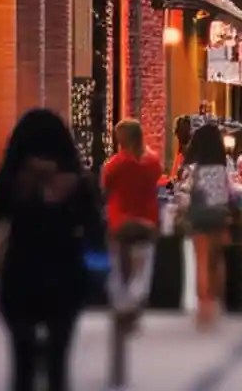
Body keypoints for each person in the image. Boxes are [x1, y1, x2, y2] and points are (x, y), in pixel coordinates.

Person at [0, 109, 102, 391]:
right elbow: (94, 230)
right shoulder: (76, 183)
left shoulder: (14, 182)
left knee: (22, 363)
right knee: (58, 363)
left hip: (20, 273)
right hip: (66, 276)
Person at [102, 119, 164, 334]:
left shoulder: (115, 164)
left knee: (117, 268)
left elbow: (106, 185)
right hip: (146, 221)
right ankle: (135, 303)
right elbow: (157, 176)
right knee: (142, 269)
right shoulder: (152, 162)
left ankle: (122, 306)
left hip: (120, 221)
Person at [177, 124, 232, 330]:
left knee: (201, 261)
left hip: (199, 217)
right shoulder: (222, 169)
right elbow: (226, 194)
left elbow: (183, 194)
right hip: (218, 215)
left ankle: (204, 307)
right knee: (216, 260)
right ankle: (216, 303)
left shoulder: (192, 168)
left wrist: (182, 213)